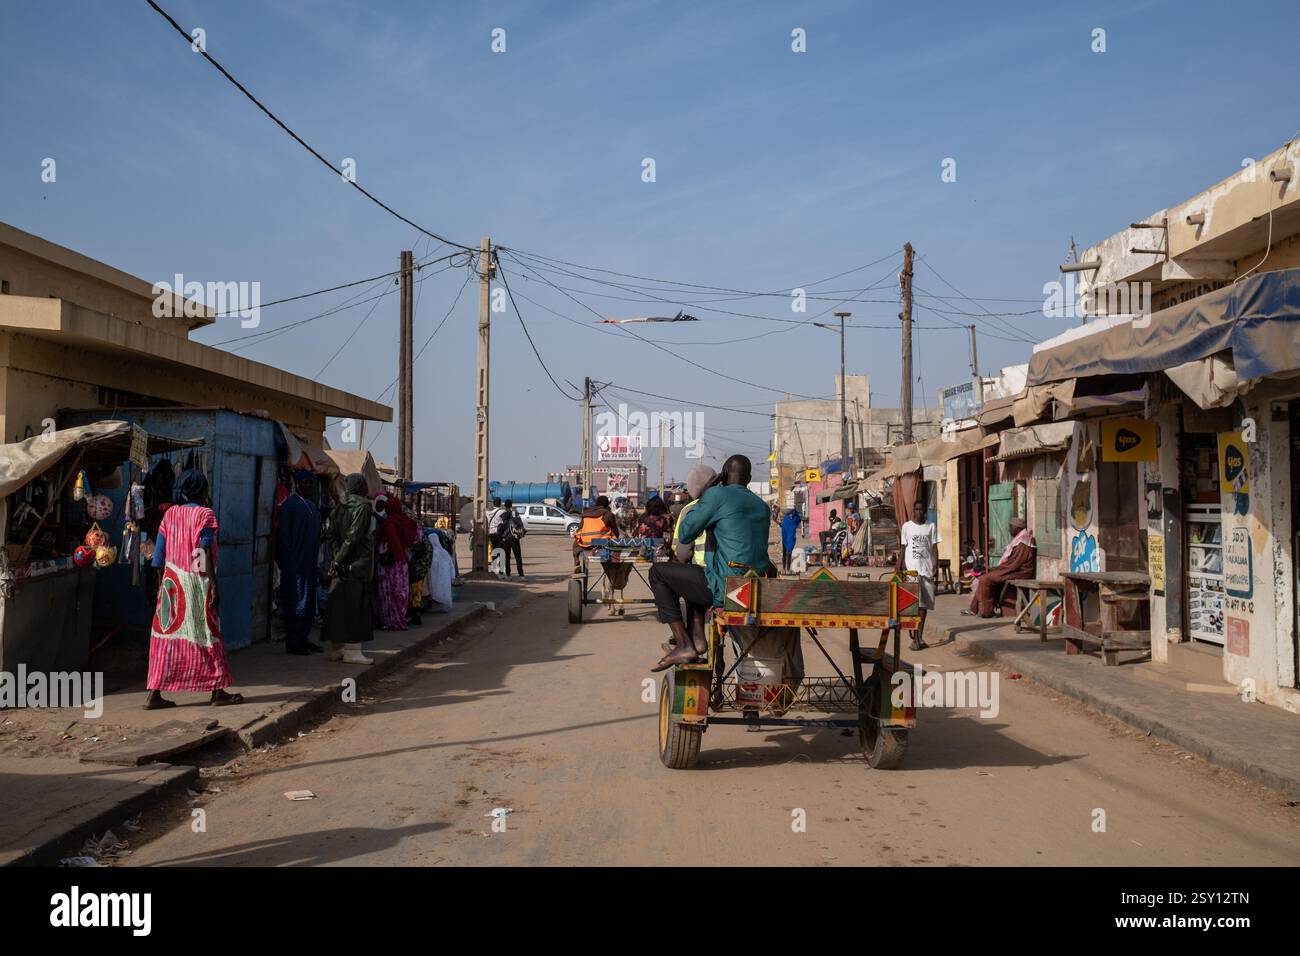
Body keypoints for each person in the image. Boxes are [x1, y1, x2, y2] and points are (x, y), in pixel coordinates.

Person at [144, 469, 244, 709]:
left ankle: (154, 694)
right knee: (207, 633)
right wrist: (214, 585)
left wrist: (161, 585)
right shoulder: (205, 515)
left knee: (165, 637)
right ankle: (217, 691)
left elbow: (158, 556)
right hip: (196, 583)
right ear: (201, 491)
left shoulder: (170, 515)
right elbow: (205, 551)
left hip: (171, 584)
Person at [647, 464, 716, 663]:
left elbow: (682, 552)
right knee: (690, 573)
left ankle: (686, 640)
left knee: (672, 573)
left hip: (708, 579)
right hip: (737, 578)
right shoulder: (732, 506)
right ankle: (696, 634)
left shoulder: (692, 510)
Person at [322, 473, 377, 663]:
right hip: (357, 566)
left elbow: (331, 535)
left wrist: (336, 561)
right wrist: (339, 560)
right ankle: (353, 651)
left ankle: (337, 649)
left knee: (338, 606)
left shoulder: (339, 507)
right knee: (356, 608)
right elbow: (353, 538)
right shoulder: (363, 507)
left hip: (341, 566)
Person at [276, 472, 323, 655]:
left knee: (308, 603)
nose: (310, 486)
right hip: (295, 564)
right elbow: (284, 537)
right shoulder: (290, 505)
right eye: (306, 483)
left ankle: (304, 639)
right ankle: (294, 643)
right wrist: (289, 562)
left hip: (309, 564)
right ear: (298, 484)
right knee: (295, 603)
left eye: (312, 483)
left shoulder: (311, 506)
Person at [963, 518, 1036, 618]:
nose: (1009, 529)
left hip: (1021, 572)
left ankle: (986, 612)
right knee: (984, 576)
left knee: (986, 579)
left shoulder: (1023, 543)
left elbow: (1014, 564)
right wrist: (995, 569)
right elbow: (1012, 563)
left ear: (1017, 528)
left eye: (1011, 527)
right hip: (1012, 569)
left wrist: (997, 569)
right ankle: (974, 608)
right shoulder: (1020, 540)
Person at [898, 501, 940, 650]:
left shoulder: (931, 526)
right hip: (912, 571)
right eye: (917, 509)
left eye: (922, 510)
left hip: (927, 571)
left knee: (924, 607)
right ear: (913, 511)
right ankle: (915, 636)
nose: (919, 512)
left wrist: (936, 565)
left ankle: (919, 637)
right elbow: (903, 548)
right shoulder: (906, 527)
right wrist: (899, 566)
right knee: (914, 606)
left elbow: (934, 547)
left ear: (924, 512)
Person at [378, 494, 418, 629]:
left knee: (389, 591)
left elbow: (393, 543)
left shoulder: (389, 524)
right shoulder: (404, 521)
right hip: (402, 564)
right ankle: (399, 619)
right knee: (401, 592)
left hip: (391, 564)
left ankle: (392, 621)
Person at [573, 494, 619, 572]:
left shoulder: (585, 514)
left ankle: (576, 561)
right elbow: (615, 531)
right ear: (607, 504)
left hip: (585, 544)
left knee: (575, 544)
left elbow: (580, 529)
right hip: (601, 544)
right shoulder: (608, 514)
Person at [496, 500, 526, 578]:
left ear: (505, 506)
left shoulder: (502, 515)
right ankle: (521, 575)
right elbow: (521, 525)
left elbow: (499, 529)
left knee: (507, 557)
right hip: (515, 538)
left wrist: (500, 539)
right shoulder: (515, 514)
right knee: (518, 557)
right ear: (511, 505)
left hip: (505, 540)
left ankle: (508, 575)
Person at [780, 507, 801, 573]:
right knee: (786, 553)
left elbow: (798, 520)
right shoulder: (787, 518)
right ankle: (785, 569)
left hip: (789, 538)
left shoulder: (790, 518)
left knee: (787, 553)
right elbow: (782, 525)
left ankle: (786, 569)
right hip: (786, 538)